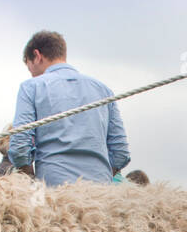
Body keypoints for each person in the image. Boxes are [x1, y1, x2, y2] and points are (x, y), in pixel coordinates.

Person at [8, 31, 130, 185]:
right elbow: (121, 152)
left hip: (54, 193)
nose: (32, 74)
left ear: (37, 55)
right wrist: (101, 178)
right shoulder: (103, 90)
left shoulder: (31, 87)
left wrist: (33, 182)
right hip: (100, 196)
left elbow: (19, 146)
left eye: (29, 68)